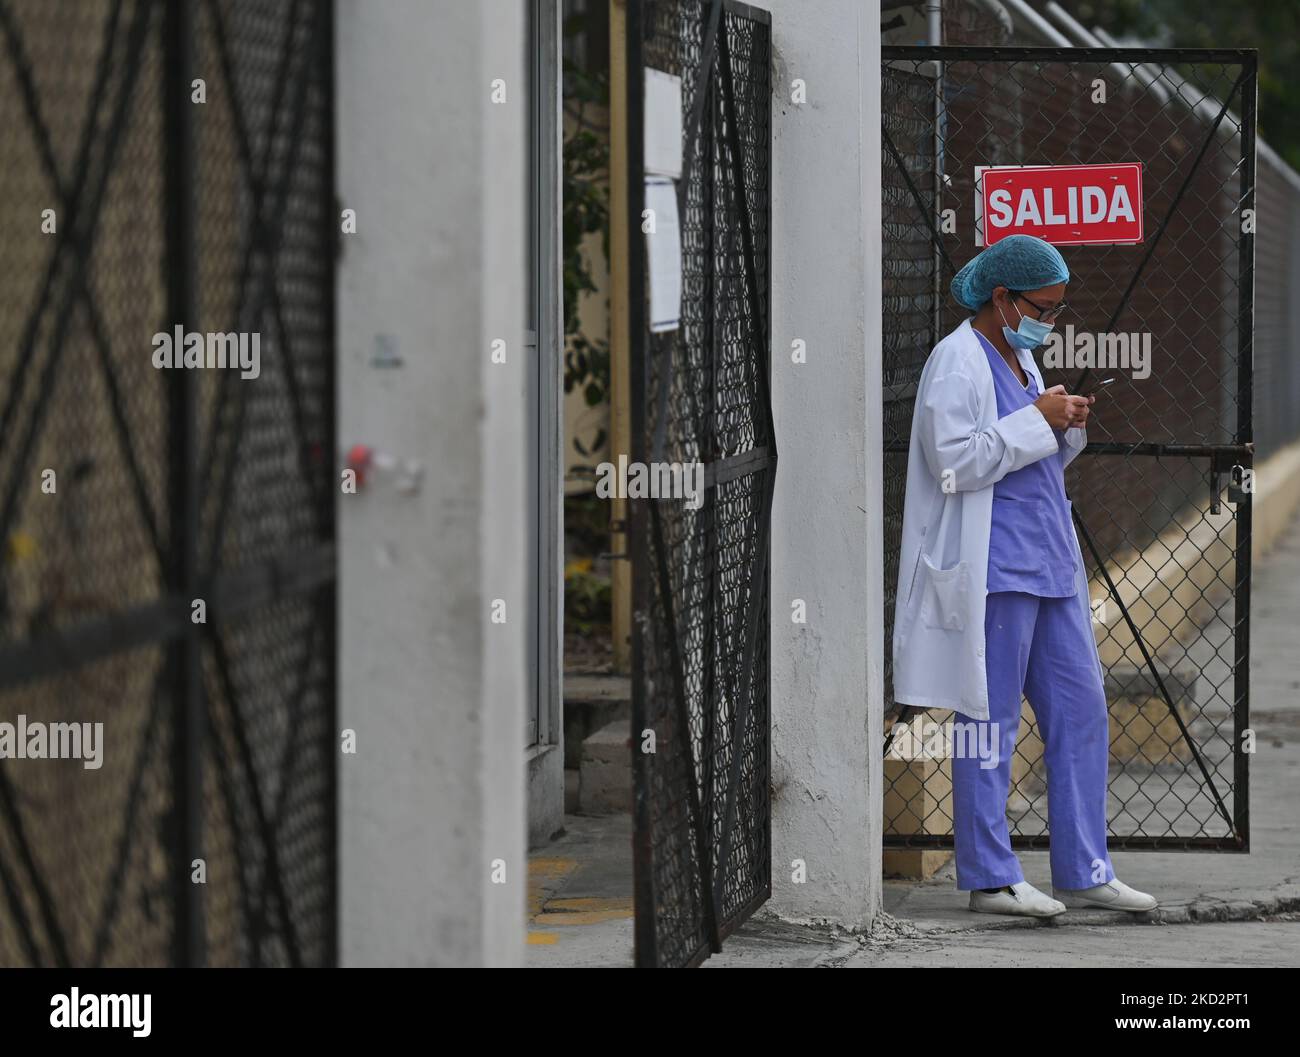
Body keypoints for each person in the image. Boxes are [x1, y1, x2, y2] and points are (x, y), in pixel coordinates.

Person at [891, 234, 1158, 918]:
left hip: (1052, 565)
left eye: (1058, 309)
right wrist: (1036, 421)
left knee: (1080, 710)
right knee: (989, 721)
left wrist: (1060, 424)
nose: (1051, 320)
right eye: (1042, 306)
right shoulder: (956, 361)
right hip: (996, 569)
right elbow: (953, 461)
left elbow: (1029, 458)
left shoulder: (1023, 355)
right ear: (1002, 298)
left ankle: (1084, 866)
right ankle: (989, 874)